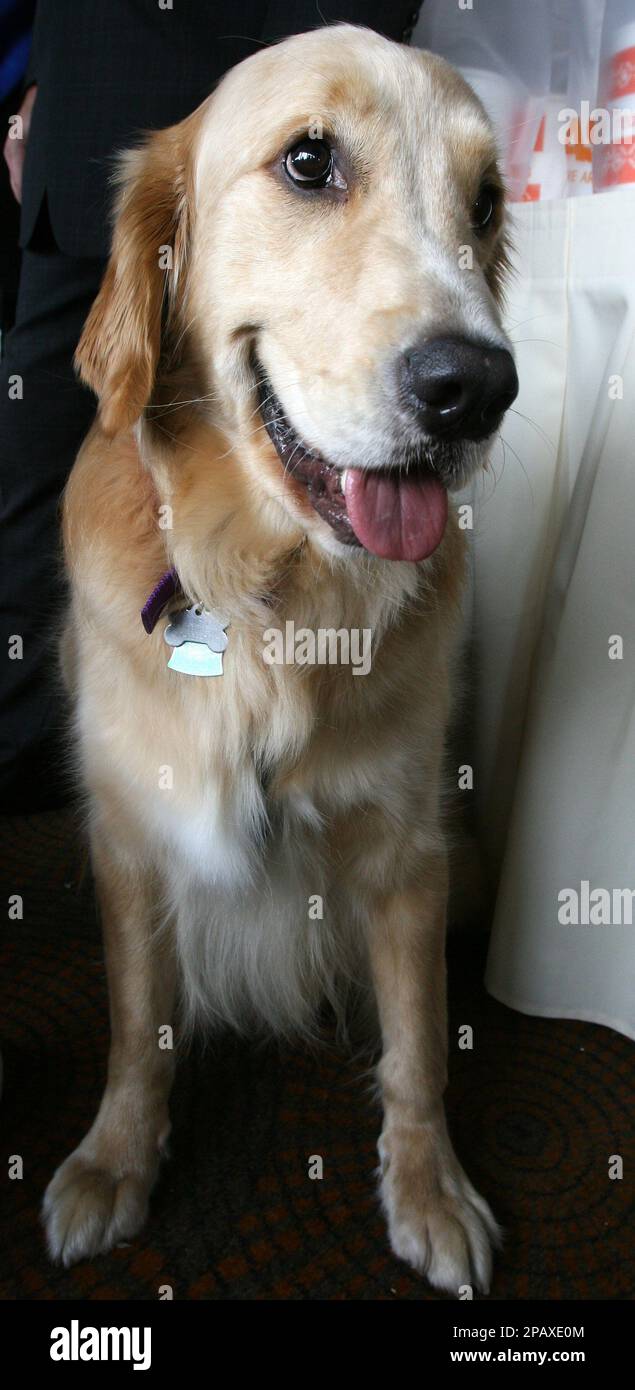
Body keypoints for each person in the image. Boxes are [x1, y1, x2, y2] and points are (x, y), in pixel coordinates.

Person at [0, 0, 421, 812]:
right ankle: (41, 783)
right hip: (90, 103)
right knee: (33, 474)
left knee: (301, 513)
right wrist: (33, 80)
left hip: (301, 111)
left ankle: (268, 796)